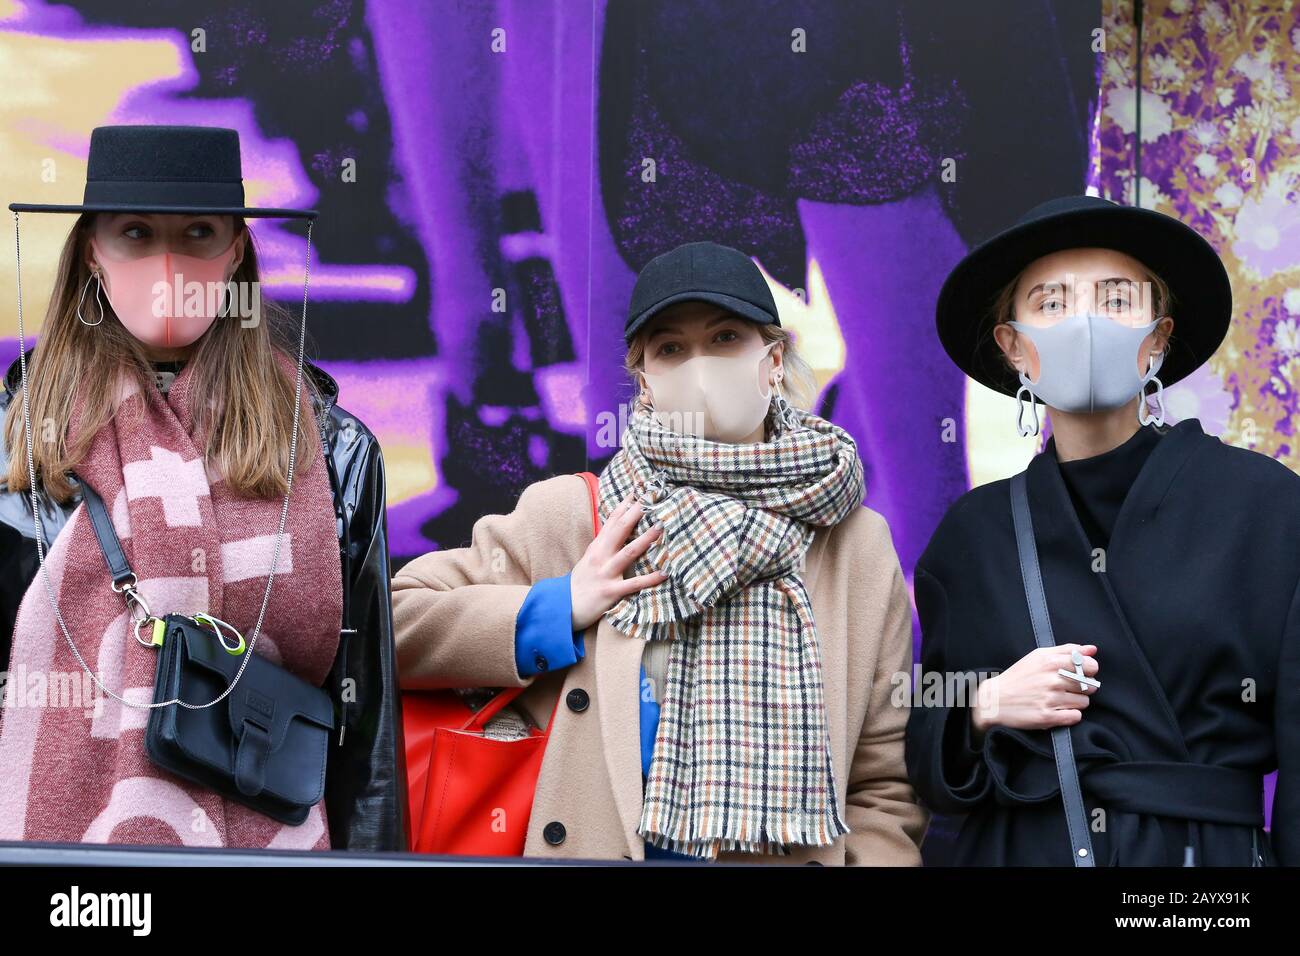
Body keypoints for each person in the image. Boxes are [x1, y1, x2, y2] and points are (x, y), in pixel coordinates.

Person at [393, 240, 927, 864]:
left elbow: (882, 785)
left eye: (726, 338)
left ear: (774, 360)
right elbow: (397, 622)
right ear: (644, 382)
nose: (700, 365)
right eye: (672, 348)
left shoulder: (855, 544)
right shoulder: (579, 516)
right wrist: (559, 606)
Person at [0, 124, 407, 851]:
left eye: (196, 232)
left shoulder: (333, 450)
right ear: (92, 248)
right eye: (134, 232)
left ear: (236, 249)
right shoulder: (11, 443)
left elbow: (364, 735)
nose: (166, 262)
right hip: (58, 879)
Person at [906, 194, 1300, 866]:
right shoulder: (972, 535)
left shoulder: (1266, 506)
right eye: (1052, 303)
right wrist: (984, 704)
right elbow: (917, 730)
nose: (1084, 322)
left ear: (1158, 337)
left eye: (1116, 299)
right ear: (1013, 347)